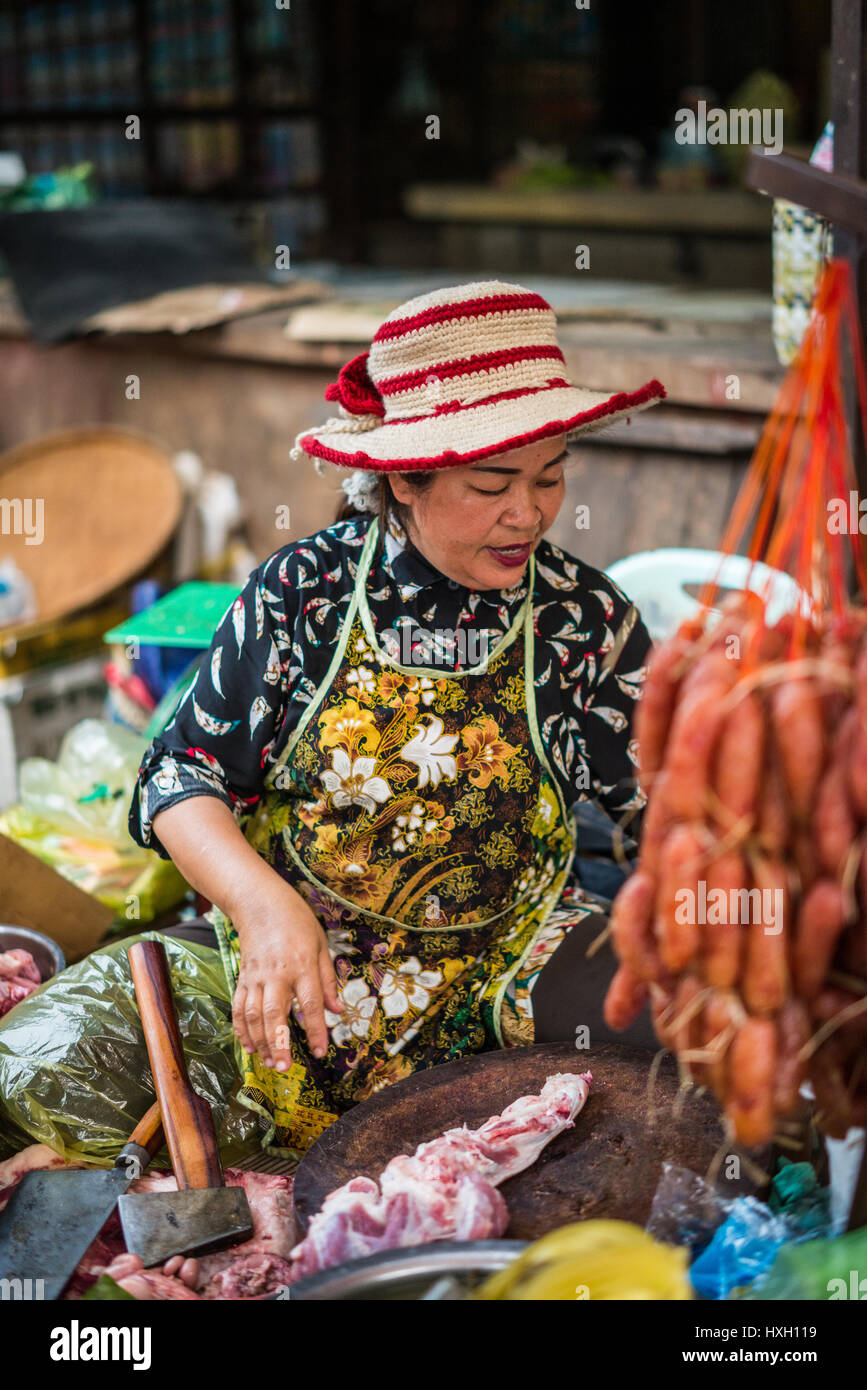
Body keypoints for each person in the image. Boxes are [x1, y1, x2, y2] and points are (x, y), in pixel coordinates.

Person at [128, 280, 666, 1157]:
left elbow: (665, 811)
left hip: (511, 957)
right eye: (492, 484)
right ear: (403, 478)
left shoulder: (582, 618)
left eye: (550, 476)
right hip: (299, 961)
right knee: (49, 1063)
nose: (527, 512)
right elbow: (178, 774)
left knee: (707, 1038)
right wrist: (265, 912)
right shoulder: (303, 592)